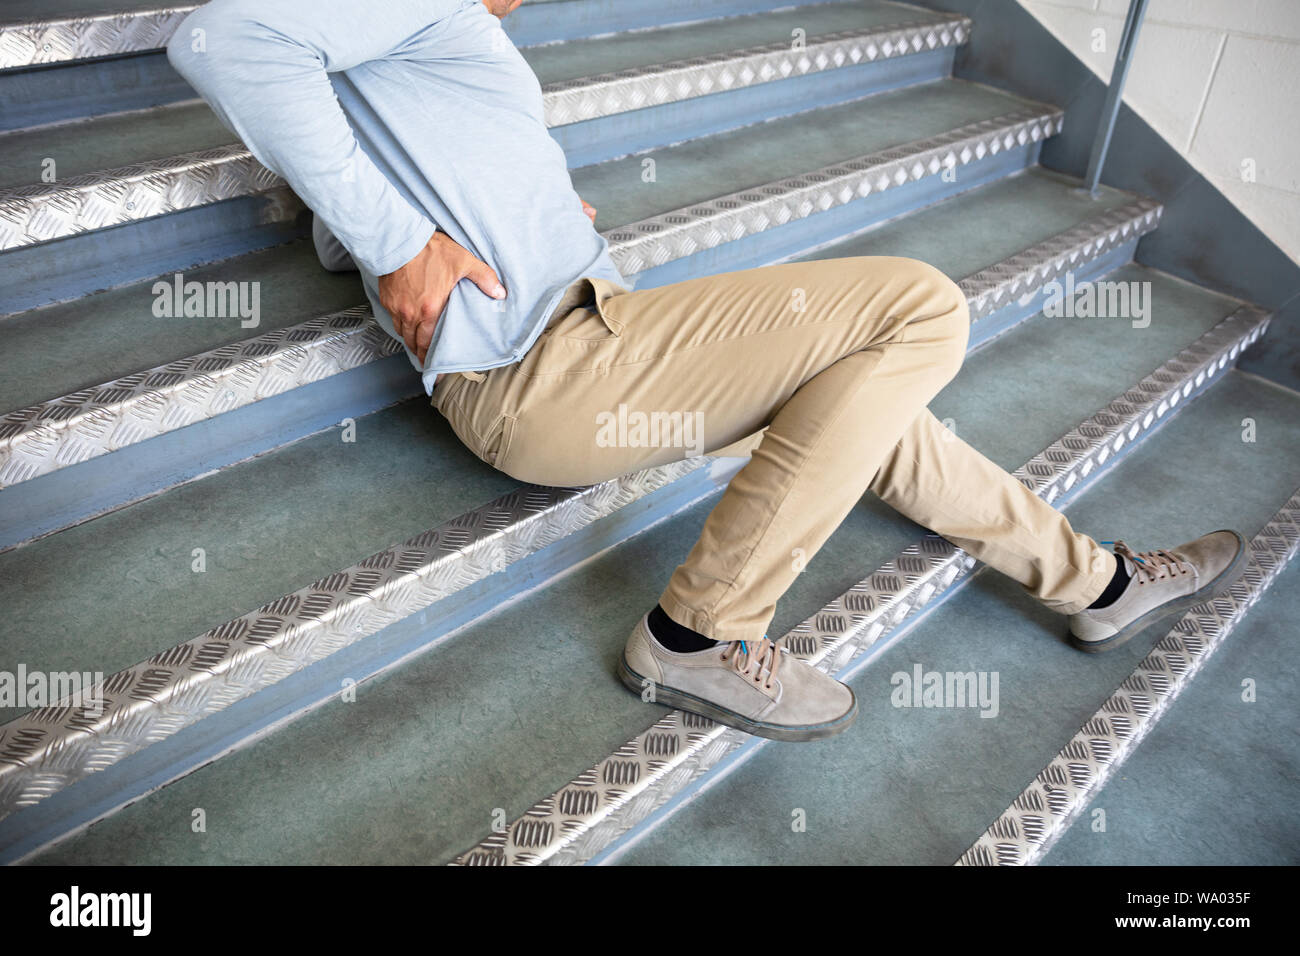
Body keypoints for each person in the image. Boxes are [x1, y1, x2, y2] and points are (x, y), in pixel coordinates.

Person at [168, 0, 1247, 742]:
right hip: (548, 366)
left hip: (591, 345)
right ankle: (699, 630)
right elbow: (219, 41)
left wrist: (508, 211)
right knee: (915, 307)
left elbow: (341, 198)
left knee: (870, 404)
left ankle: (1098, 581)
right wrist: (402, 247)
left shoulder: (411, 45)